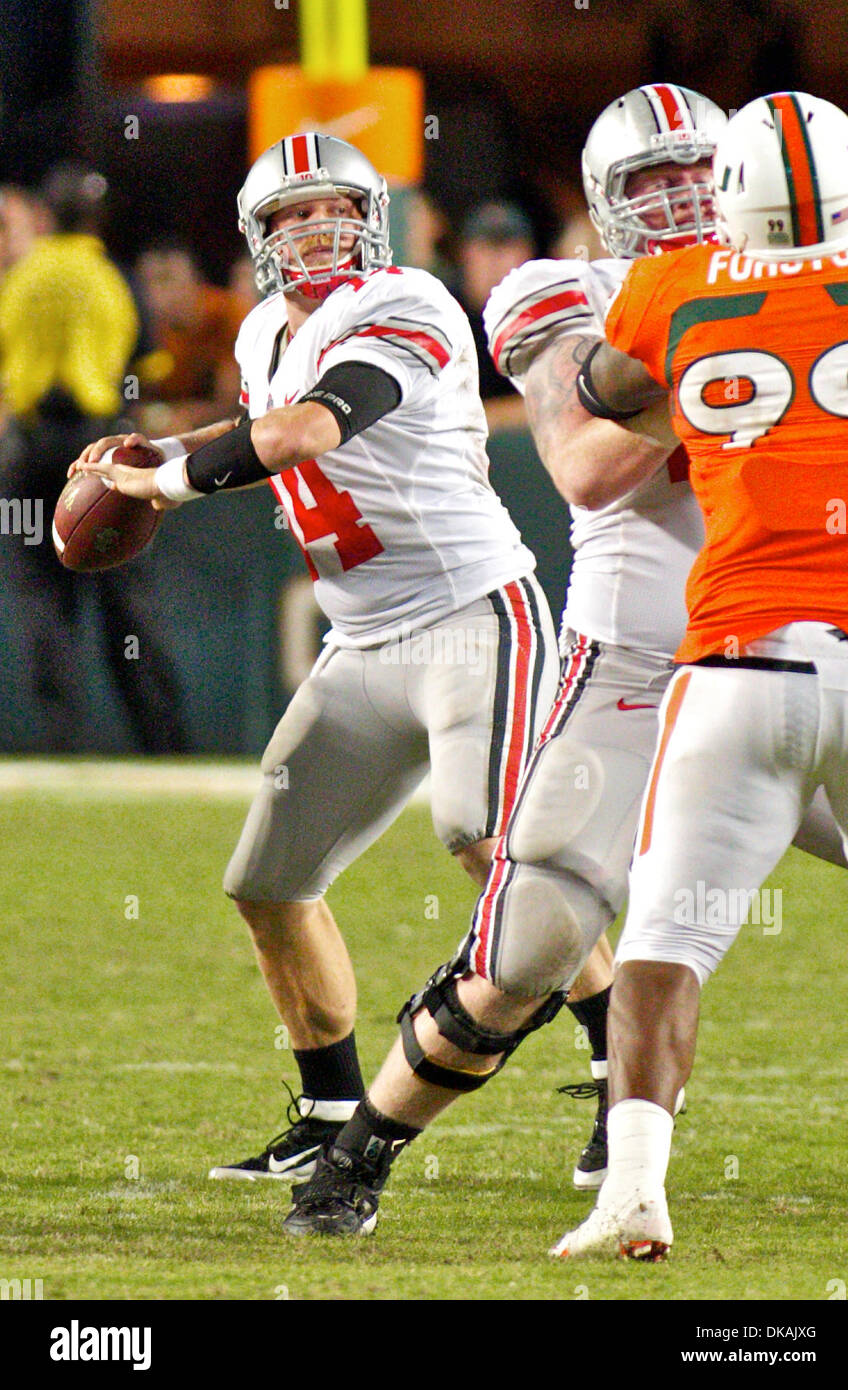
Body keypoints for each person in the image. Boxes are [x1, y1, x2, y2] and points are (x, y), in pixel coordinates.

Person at [268, 86, 848, 1241]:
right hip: (639, 658)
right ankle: (357, 1153)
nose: (681, 199)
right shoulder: (568, 291)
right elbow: (581, 466)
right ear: (602, 202)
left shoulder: (802, 276)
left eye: (697, 173)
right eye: (650, 184)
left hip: (797, 650)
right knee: (534, 933)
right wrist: (740, 371)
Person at [72, 133, 559, 1183]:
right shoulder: (258, 331)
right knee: (266, 879)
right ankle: (327, 1103)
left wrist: (167, 485)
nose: (317, 225)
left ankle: (624, 1074)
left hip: (469, 610)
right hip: (366, 635)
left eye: (334, 205)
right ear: (260, 236)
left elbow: (305, 432)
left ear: (372, 214)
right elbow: (256, 423)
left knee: (486, 842)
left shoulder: (408, 304)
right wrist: (163, 449)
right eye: (292, 213)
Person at [552, 90, 848, 1259]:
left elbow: (605, 396)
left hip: (739, 659)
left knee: (659, 946)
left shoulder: (665, 289)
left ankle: (631, 1188)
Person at [0, 162, 188, 752]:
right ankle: (161, 741)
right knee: (127, 599)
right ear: (97, 216)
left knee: (41, 600)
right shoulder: (115, 278)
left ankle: (63, 741)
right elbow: (147, 367)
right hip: (100, 449)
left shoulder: (21, 276)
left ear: (47, 214)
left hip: (30, 448)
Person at [135, 238, 249, 435]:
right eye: (147, 282)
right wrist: (134, 409)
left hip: (222, 430)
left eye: (165, 279)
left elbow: (233, 401)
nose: (156, 292)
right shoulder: (140, 323)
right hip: (162, 424)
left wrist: (186, 415)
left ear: (194, 280)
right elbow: (131, 377)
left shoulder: (227, 314)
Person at [454, 200, 536, 432]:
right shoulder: (443, 309)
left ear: (526, 255)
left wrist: (490, 416)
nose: (495, 260)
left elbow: (558, 402)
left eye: (505, 248)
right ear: (466, 254)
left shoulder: (539, 316)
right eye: (485, 248)